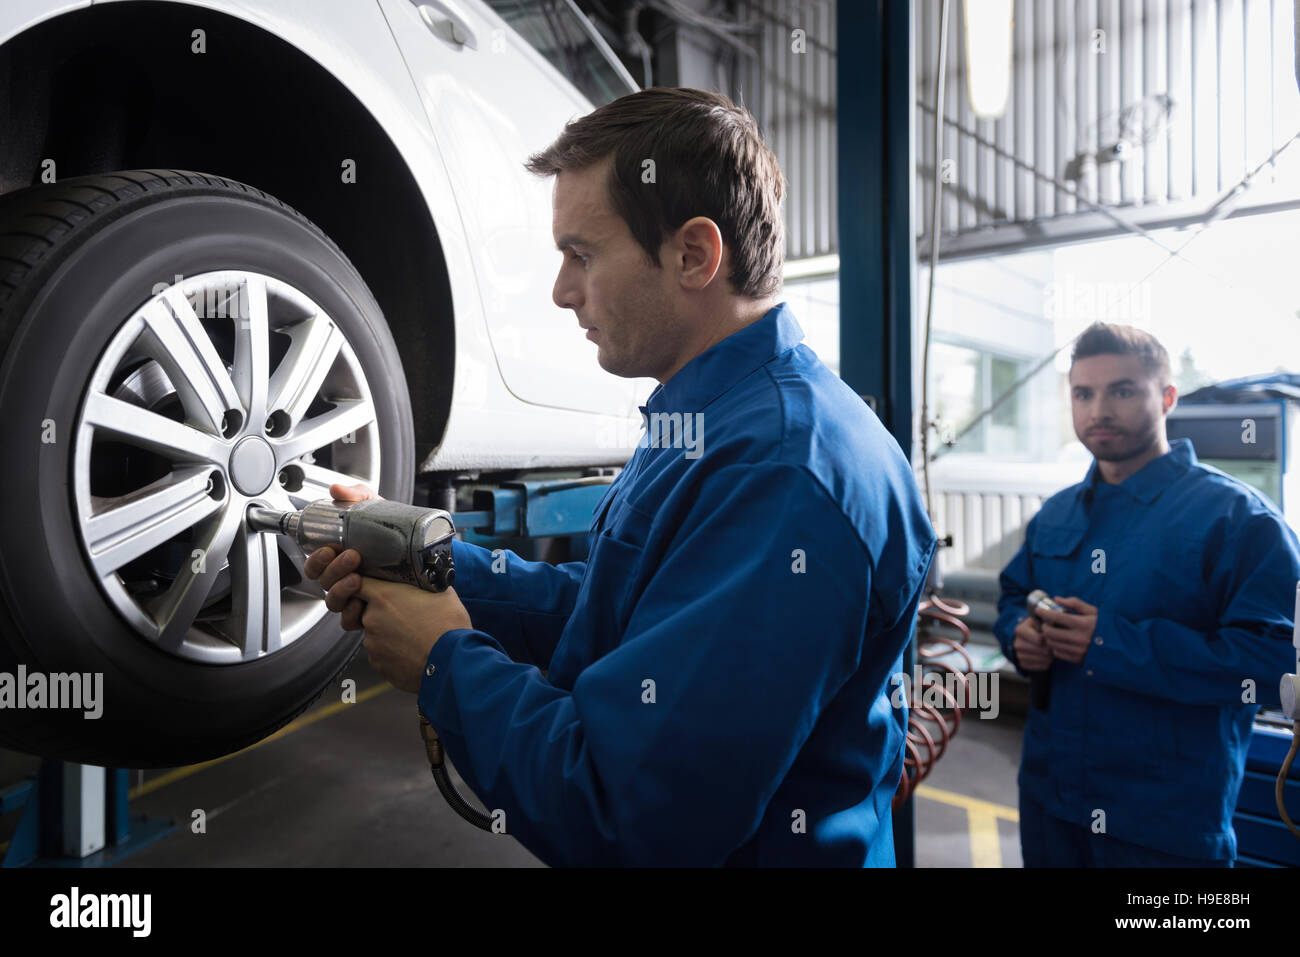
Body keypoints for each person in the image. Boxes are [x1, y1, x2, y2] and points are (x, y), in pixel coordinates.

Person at [305, 88, 937, 866]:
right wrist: (428, 560)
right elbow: (619, 612)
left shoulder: (782, 473)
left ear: (694, 255)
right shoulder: (716, 415)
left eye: (582, 253)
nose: (562, 290)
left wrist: (446, 661)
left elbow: (628, 810)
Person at [994, 321, 1300, 866]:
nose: (1098, 410)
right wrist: (1020, 636)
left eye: (1122, 390)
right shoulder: (1057, 514)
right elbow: (1014, 596)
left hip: (1164, 823)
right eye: (1083, 393)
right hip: (1050, 802)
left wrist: (1111, 644)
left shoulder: (1238, 521)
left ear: (1167, 397)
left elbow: (1276, 667)